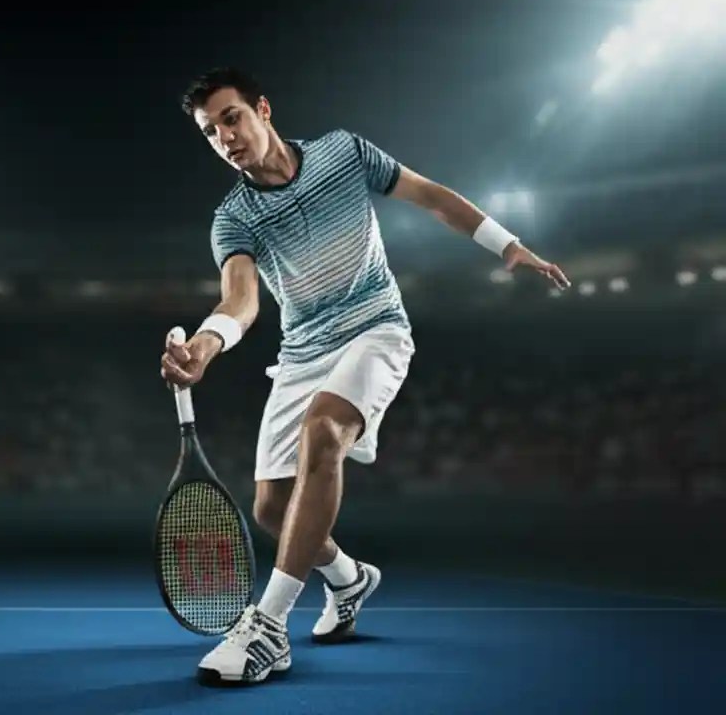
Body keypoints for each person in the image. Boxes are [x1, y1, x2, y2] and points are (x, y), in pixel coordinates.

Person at [159, 67, 571, 685]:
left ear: (262, 109)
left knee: (323, 433)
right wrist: (205, 345)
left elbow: (430, 196)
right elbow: (240, 301)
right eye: (211, 132)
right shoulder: (234, 218)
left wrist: (507, 245)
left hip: (375, 329)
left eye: (231, 118)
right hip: (303, 353)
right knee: (272, 509)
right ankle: (349, 580)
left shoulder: (344, 153)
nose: (225, 138)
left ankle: (269, 626)